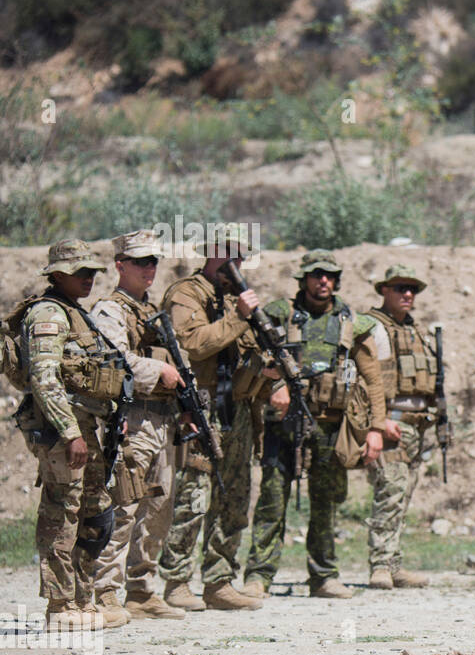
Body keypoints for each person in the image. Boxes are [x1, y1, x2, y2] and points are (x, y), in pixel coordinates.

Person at [243, 250, 385, 599]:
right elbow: (250, 354)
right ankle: (259, 576)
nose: (323, 281)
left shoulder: (351, 320)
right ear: (304, 279)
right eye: (316, 274)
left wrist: (377, 429)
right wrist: (273, 383)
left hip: (330, 427)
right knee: (273, 500)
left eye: (329, 275)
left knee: (327, 502)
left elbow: (373, 377)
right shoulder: (279, 314)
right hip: (283, 424)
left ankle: (324, 576)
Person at [10, 240, 131, 631]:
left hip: (86, 427)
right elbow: (45, 380)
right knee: (62, 512)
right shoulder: (48, 313)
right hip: (59, 430)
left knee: (95, 511)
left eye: (91, 271)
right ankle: (59, 606)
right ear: (56, 274)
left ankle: (82, 597)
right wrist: (69, 433)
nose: (88, 277)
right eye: (79, 271)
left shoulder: (77, 313)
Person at [156, 225, 267, 611]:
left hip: (236, 411)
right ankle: (176, 581)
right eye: (229, 256)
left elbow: (246, 351)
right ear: (212, 254)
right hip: (199, 410)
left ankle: (219, 579)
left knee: (235, 498)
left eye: (240, 258)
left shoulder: (236, 300)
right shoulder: (187, 293)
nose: (235, 265)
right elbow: (196, 343)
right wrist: (239, 316)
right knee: (193, 498)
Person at [88, 230, 188, 622]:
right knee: (124, 505)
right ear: (120, 266)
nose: (150, 269)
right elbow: (113, 362)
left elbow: (178, 363)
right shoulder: (109, 311)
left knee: (157, 508)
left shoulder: (152, 313)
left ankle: (142, 589)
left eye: (154, 262)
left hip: (162, 419)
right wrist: (158, 369)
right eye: (141, 262)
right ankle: (104, 591)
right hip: (130, 417)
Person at [364, 265, 448, 590]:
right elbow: (367, 379)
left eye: (412, 289)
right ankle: (380, 566)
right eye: (400, 288)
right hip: (391, 423)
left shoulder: (417, 332)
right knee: (390, 491)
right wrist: (378, 420)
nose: (407, 295)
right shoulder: (374, 328)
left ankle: (393, 563)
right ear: (384, 290)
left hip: (418, 425)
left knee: (404, 494)